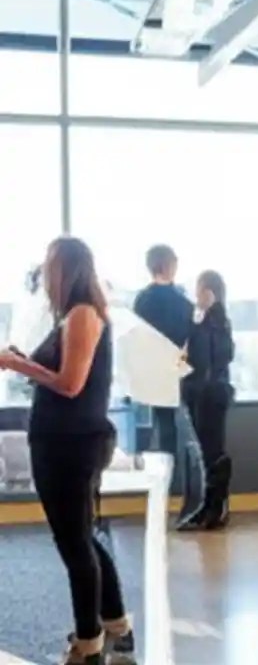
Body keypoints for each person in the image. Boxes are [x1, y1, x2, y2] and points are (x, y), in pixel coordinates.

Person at [0, 237, 134, 664]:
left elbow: (70, 384)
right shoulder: (73, 317)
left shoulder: (82, 315)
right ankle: (117, 627)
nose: (44, 275)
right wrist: (23, 360)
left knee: (74, 544)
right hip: (64, 441)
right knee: (83, 539)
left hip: (70, 445)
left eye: (49, 266)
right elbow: (56, 374)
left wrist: (16, 364)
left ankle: (88, 643)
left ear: (66, 270)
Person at [132, 245, 195, 513]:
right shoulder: (183, 301)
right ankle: (175, 489)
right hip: (177, 371)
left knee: (147, 430)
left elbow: (137, 338)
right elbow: (190, 337)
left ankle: (149, 487)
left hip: (148, 372)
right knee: (180, 432)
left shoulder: (142, 301)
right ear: (171, 265)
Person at [177, 270, 235, 531]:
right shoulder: (200, 321)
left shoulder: (219, 320)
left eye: (200, 290)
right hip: (198, 393)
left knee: (213, 450)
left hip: (212, 394)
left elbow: (221, 355)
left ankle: (217, 506)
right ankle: (205, 505)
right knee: (202, 451)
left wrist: (212, 312)